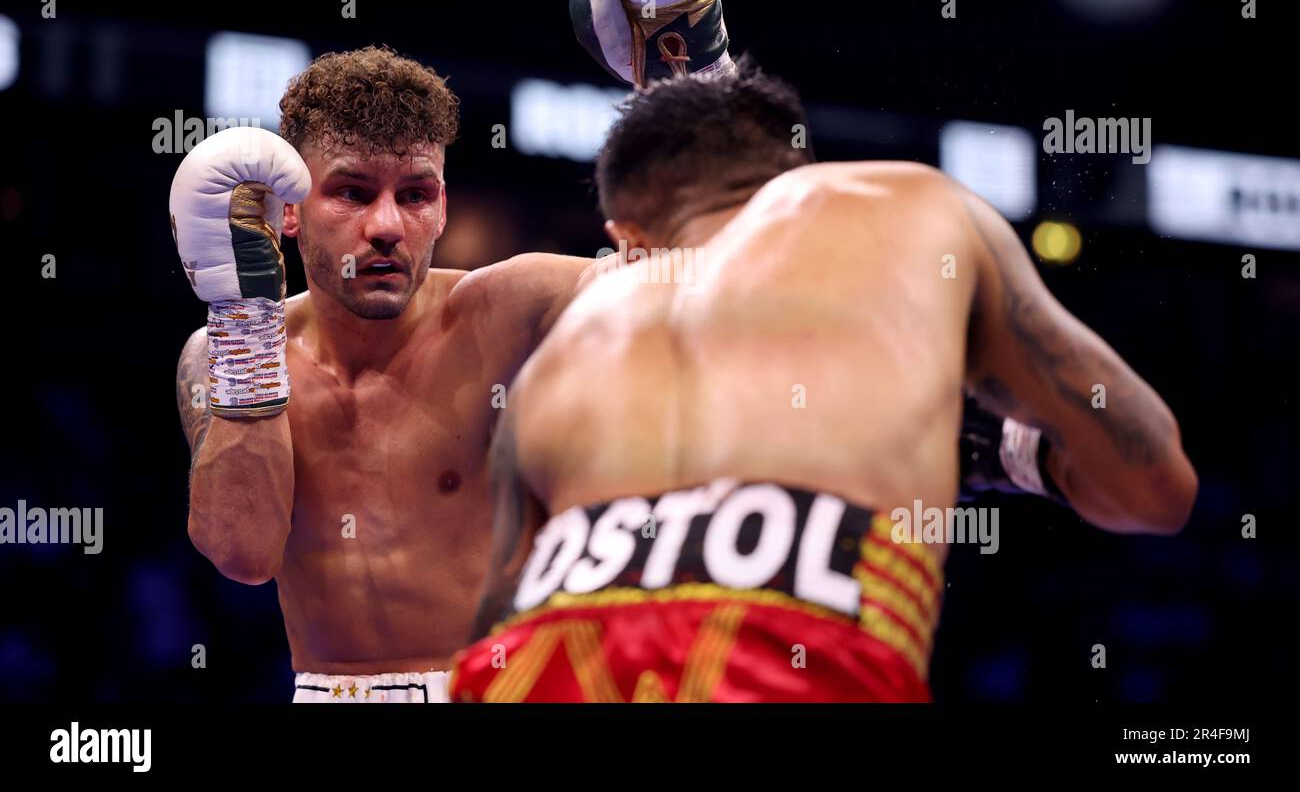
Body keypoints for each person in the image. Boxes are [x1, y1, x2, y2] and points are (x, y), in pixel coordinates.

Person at [450, 59, 1197, 702]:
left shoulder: (568, 341)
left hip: (543, 648)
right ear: (792, 171)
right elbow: (1156, 484)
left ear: (626, 239)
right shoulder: (905, 205)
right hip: (790, 630)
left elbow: (495, 618)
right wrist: (1004, 450)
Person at [171, 46, 591, 702]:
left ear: (443, 207)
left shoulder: (513, 311)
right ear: (287, 209)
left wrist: (691, 77)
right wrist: (245, 321)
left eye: (415, 194)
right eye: (352, 191)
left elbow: (711, 284)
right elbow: (243, 553)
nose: (389, 226)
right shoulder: (219, 352)